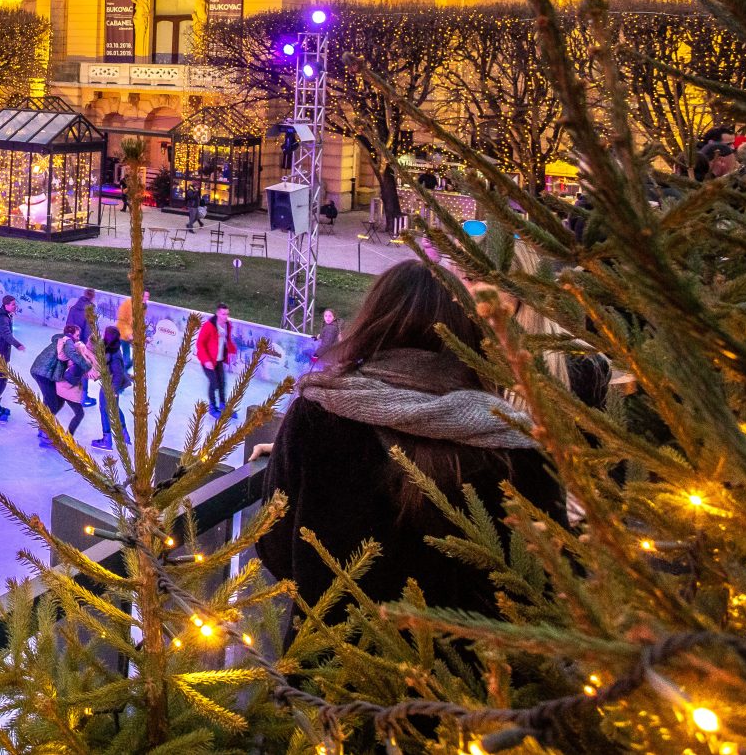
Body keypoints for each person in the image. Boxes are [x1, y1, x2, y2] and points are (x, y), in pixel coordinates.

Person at [255, 260, 567, 620]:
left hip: (332, 656)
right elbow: (549, 576)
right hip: (475, 667)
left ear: (372, 322)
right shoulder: (513, 439)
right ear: (463, 336)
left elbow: (274, 545)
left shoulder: (318, 415)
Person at [0, 295, 25, 422]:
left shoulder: (7, 315)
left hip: (1, 353)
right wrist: (18, 345)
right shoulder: (3, 319)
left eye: (15, 304)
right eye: (13, 304)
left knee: (0, 381)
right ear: (6, 305)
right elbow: (6, 335)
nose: (15, 306)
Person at [93, 324, 131, 450]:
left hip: (111, 385)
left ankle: (107, 440)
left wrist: (113, 391)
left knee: (104, 409)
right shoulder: (108, 347)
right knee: (114, 408)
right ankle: (124, 435)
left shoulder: (115, 354)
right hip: (108, 382)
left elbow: (118, 374)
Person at [196, 305, 238, 417]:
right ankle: (212, 407)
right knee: (214, 383)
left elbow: (226, 340)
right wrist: (206, 360)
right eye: (223, 314)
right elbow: (200, 343)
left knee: (222, 383)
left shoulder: (227, 325)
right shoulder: (208, 326)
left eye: (227, 314)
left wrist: (232, 349)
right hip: (208, 361)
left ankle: (223, 405)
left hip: (218, 360)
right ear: (218, 313)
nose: (226, 316)